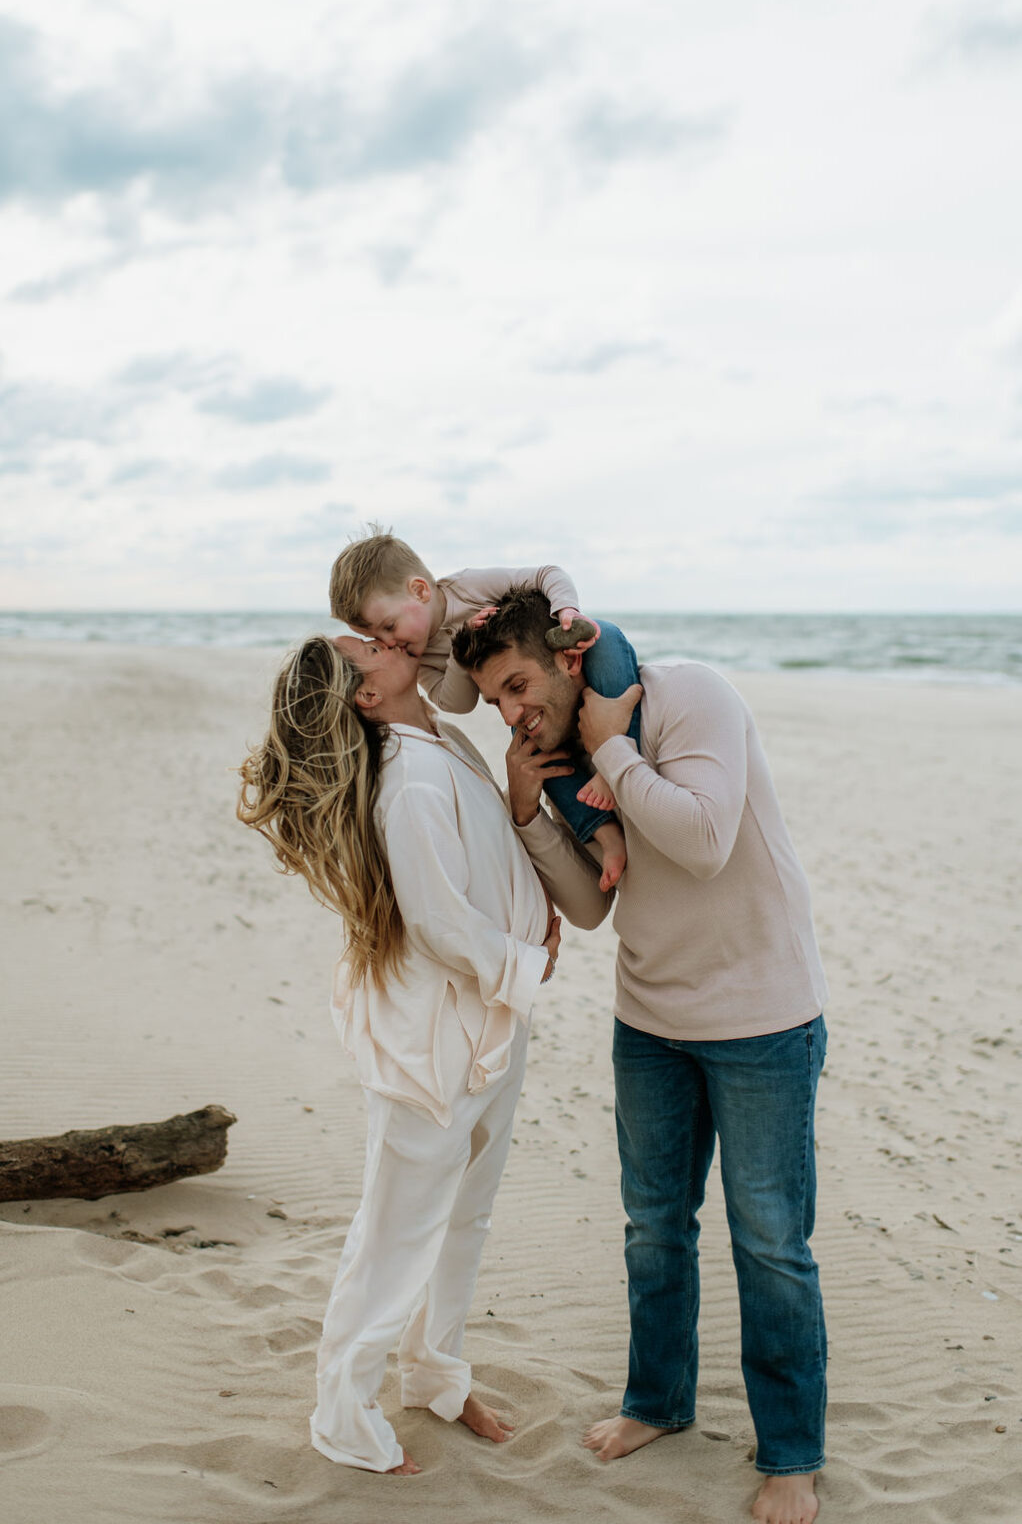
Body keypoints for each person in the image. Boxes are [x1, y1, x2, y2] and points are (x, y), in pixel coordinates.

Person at [451, 589, 829, 1524]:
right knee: (654, 1228)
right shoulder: (567, 756)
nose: (509, 712)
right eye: (494, 699)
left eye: (517, 686)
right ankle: (658, 1402)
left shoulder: (692, 696)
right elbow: (587, 909)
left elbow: (700, 841)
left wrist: (615, 744)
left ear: (569, 660)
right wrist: (529, 806)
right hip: (651, 1020)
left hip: (761, 1016)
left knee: (770, 1243)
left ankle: (791, 1455)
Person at [237, 633, 608, 1476]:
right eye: (365, 650)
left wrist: (518, 806)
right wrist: (525, 961)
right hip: (436, 1037)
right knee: (397, 1230)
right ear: (368, 698)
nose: (385, 639)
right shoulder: (404, 783)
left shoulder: (442, 734)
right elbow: (436, 920)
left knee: (465, 1214)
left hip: (493, 1022)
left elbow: (480, 858)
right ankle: (342, 1411)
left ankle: (434, 1375)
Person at [328, 525, 643, 892]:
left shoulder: (467, 587)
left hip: (548, 664)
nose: (390, 643)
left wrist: (566, 610)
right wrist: (460, 655)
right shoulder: (420, 656)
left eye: (389, 626)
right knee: (532, 751)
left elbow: (546, 575)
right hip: (524, 703)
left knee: (605, 636)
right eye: (376, 639)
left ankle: (618, 751)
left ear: (420, 590)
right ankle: (605, 834)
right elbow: (456, 703)